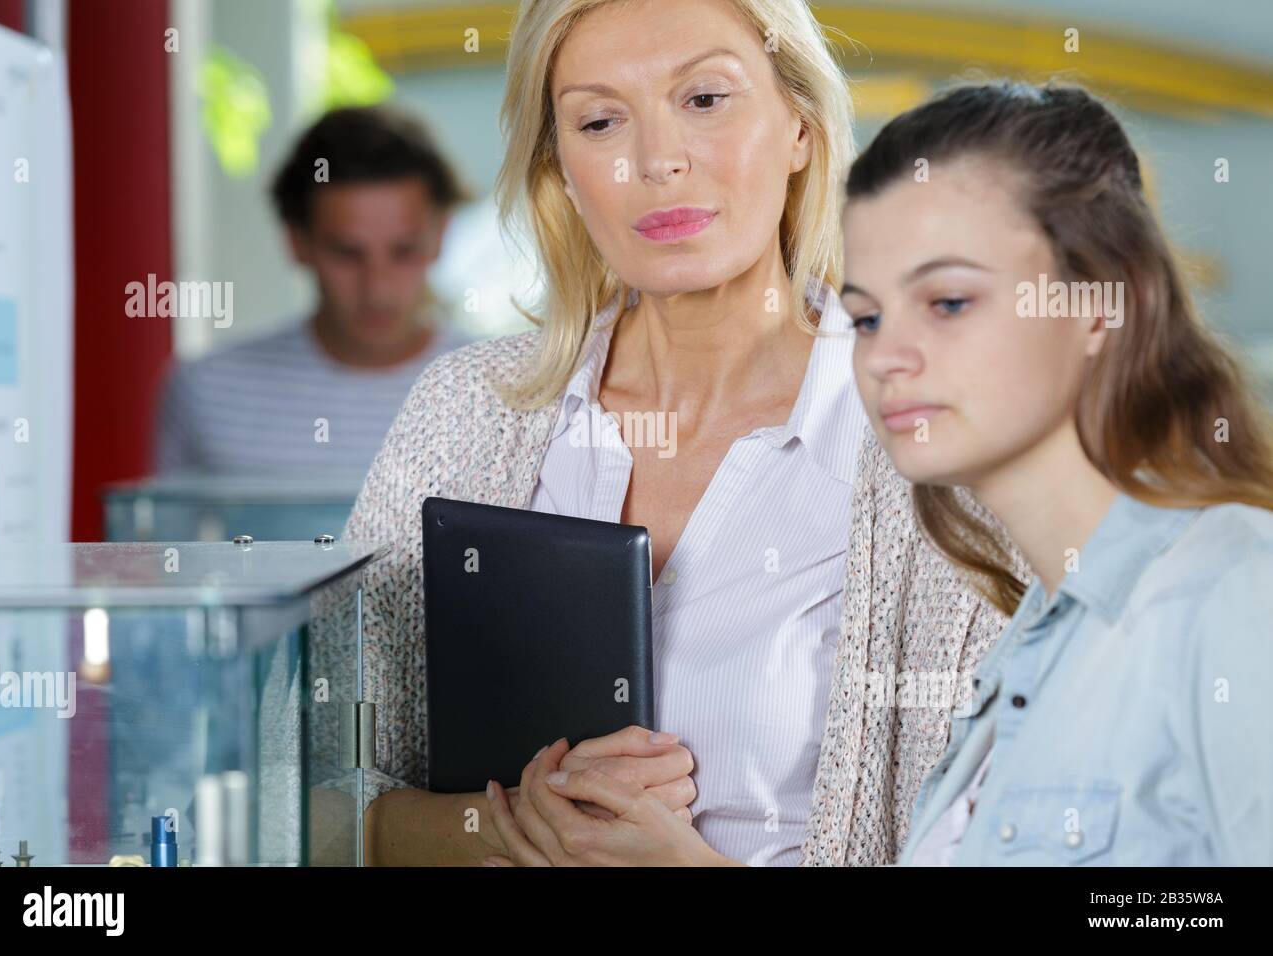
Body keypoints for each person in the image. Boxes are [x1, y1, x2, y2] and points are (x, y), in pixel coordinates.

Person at [489, 81, 1273, 867]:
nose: (889, 356)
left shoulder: (1232, 588)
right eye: (867, 318)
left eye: (951, 301)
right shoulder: (1029, 644)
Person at [320, 0, 1016, 867]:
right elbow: (310, 798)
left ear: (800, 127)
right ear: (561, 169)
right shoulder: (468, 408)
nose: (659, 162)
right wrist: (512, 825)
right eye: (601, 120)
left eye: (705, 99)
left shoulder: (950, 449)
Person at [156, 105, 472, 478]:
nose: (377, 289)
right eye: (347, 254)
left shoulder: (504, 394)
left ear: (440, 236)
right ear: (296, 242)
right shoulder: (207, 391)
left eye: (403, 251)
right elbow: (167, 534)